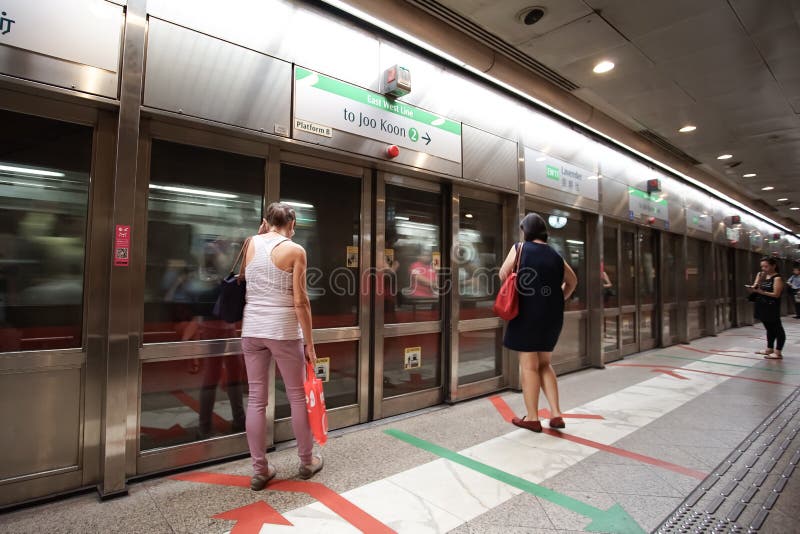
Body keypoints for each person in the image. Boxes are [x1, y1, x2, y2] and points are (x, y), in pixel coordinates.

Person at [241, 203, 323, 491]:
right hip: (284, 330)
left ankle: (260, 470)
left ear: (265, 222)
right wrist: (309, 344)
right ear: (293, 223)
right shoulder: (295, 250)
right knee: (298, 397)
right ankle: (306, 461)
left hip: (252, 329)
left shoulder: (250, 242)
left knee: (256, 399)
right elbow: (301, 301)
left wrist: (258, 235)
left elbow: (245, 278)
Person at [499, 213, 578, 432]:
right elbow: (572, 281)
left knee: (529, 366)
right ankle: (556, 414)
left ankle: (532, 418)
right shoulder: (555, 255)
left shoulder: (520, 248)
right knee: (544, 363)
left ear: (526, 231)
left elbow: (503, 274)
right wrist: (558, 297)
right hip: (552, 315)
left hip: (526, 313)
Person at [747, 257, 785, 359]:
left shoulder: (777, 278)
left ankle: (778, 352)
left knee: (777, 329)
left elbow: (776, 294)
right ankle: (769, 349)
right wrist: (754, 286)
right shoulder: (760, 275)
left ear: (773, 266)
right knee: (769, 328)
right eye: (762, 266)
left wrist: (761, 292)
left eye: (766, 266)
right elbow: (755, 288)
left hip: (772, 306)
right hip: (761, 304)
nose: (764, 268)